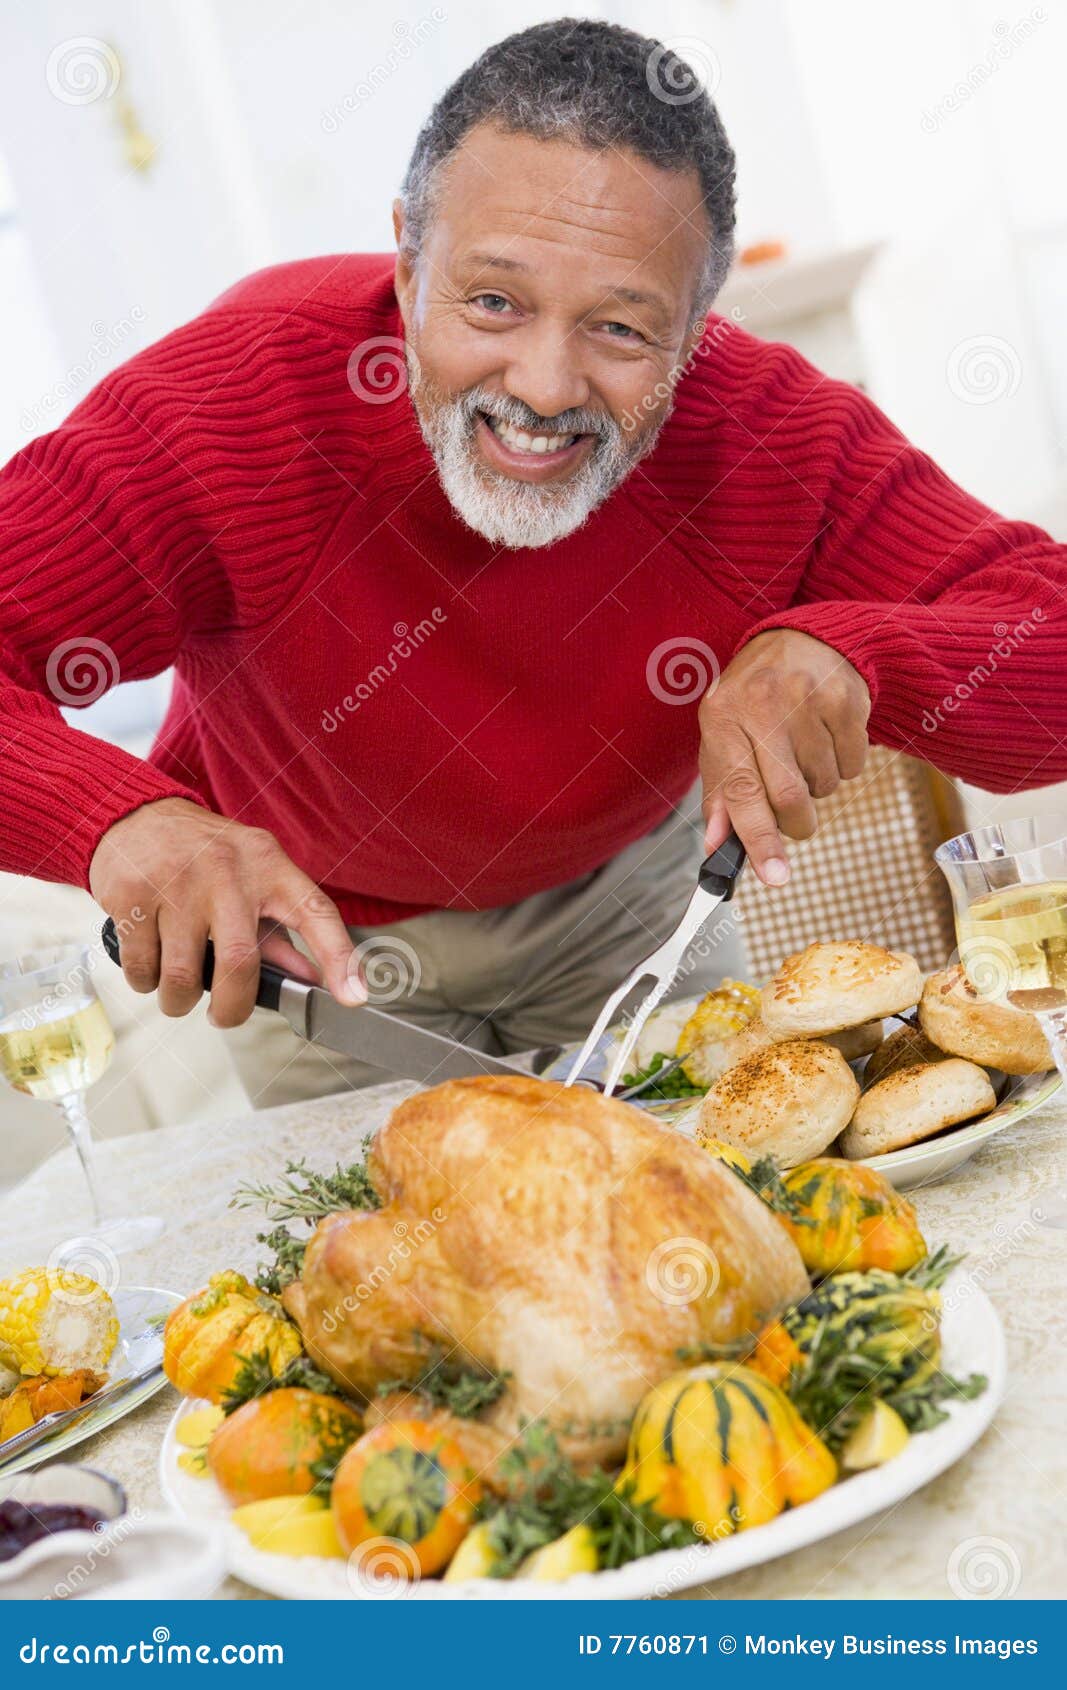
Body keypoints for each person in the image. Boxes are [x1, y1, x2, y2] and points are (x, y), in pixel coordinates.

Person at [2, 19, 1064, 1108]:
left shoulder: (769, 433)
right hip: (318, 947)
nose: (545, 386)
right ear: (409, 256)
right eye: (493, 302)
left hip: (624, 908)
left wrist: (857, 652)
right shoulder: (235, 399)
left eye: (617, 328)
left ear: (699, 328)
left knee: (704, 1228)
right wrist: (120, 820)